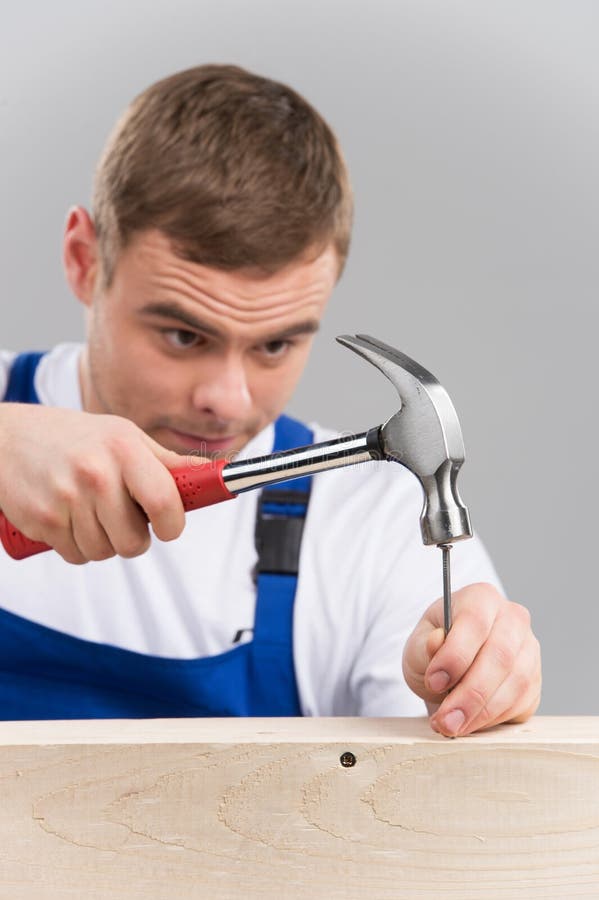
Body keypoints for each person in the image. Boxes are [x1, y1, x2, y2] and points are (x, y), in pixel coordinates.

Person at [0, 65, 540, 735]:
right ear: (84, 260)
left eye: (275, 346)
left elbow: (449, 817)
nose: (226, 401)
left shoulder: (374, 528)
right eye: (182, 334)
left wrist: (467, 690)